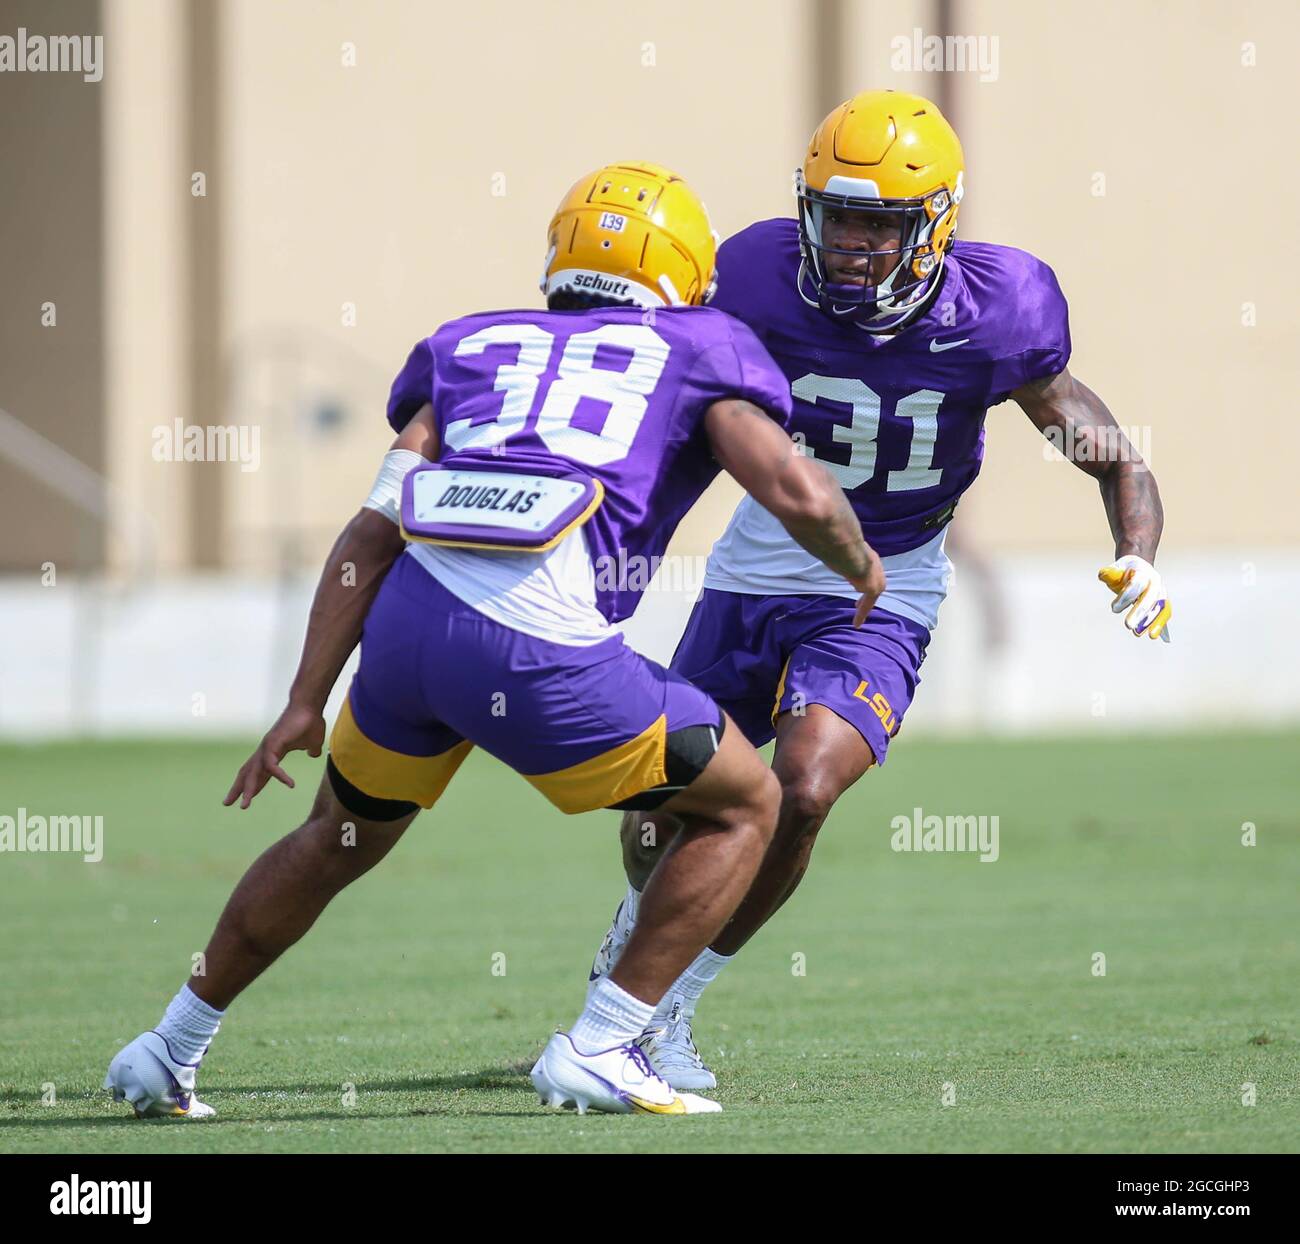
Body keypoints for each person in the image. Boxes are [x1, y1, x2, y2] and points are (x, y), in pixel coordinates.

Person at [103, 161, 884, 1119]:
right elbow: (793, 487)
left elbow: (367, 537)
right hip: (540, 649)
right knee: (745, 804)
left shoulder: (472, 343)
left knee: (337, 835)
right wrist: (858, 563)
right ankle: (604, 1042)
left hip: (406, 635)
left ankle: (168, 1046)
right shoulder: (700, 345)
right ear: (684, 269)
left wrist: (305, 699)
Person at [585, 92, 1173, 1090]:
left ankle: (664, 998)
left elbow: (1111, 453)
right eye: (838, 217)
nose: (853, 245)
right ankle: (639, 943)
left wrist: (1138, 551)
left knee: (803, 787)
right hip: (757, 562)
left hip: (888, 580)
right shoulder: (752, 276)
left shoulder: (999, 315)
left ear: (934, 226)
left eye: (880, 224)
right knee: (657, 811)